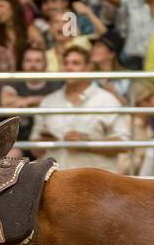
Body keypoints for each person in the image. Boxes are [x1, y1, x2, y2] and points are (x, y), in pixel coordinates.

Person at [30, 40, 129, 173]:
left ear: (89, 67)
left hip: (95, 184)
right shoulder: (48, 101)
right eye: (66, 63)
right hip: (56, 183)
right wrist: (46, 142)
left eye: (76, 63)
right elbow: (34, 149)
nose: (69, 68)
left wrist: (87, 143)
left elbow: (123, 144)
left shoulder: (107, 100)